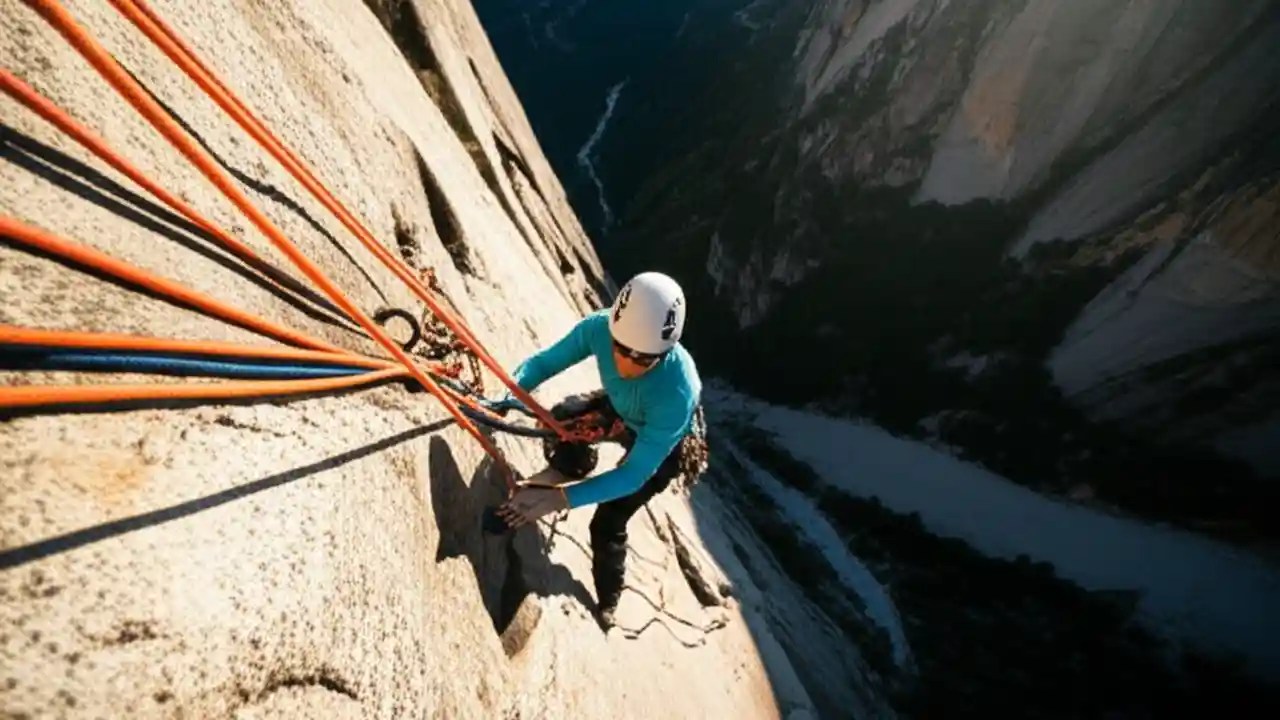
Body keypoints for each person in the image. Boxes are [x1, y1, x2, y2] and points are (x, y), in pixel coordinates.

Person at [495, 271, 703, 629]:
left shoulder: (679, 392)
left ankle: (608, 599)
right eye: (620, 349)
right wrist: (505, 399)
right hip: (624, 410)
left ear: (664, 351)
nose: (626, 365)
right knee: (564, 420)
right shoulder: (599, 329)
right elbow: (543, 364)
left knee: (608, 521)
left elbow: (634, 474)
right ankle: (574, 464)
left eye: (643, 359)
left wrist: (560, 499)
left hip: (663, 441)